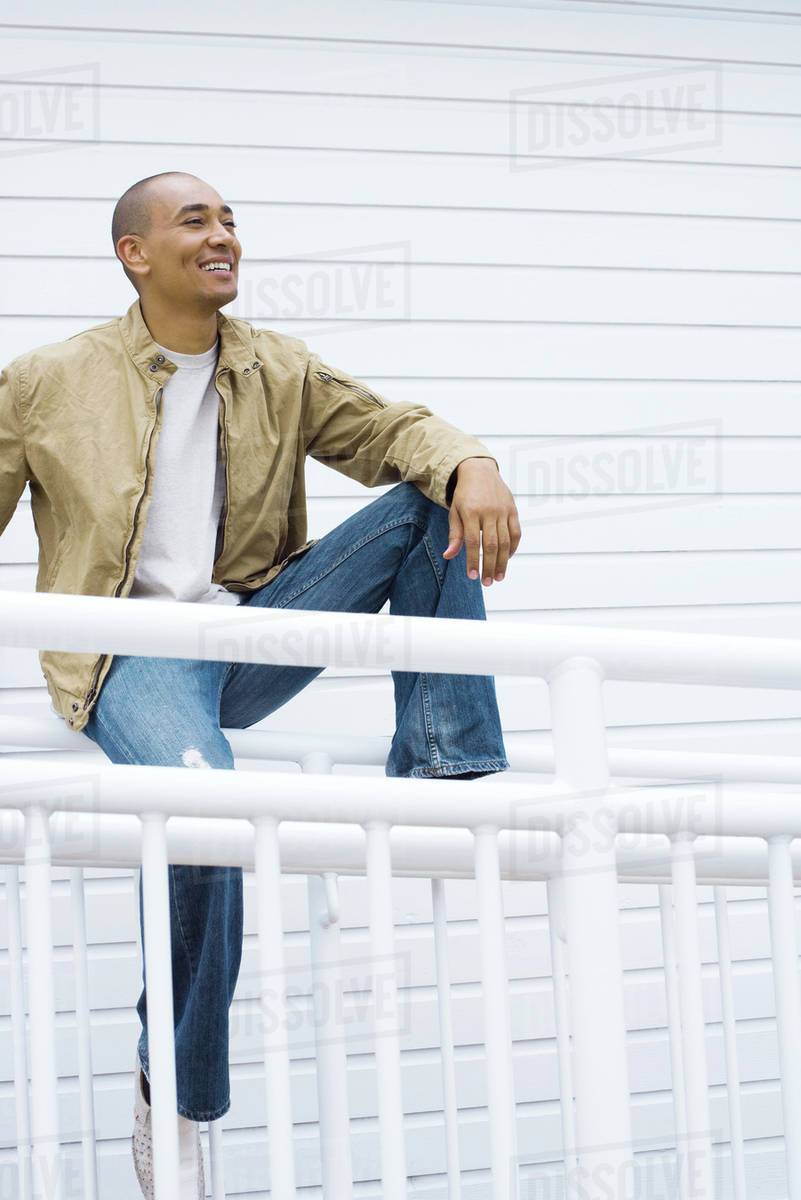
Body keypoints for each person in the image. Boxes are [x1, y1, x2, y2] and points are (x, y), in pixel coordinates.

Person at [0, 172, 521, 1197]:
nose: (222, 235)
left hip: (245, 634)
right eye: (195, 221)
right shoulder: (47, 381)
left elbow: (390, 429)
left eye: (230, 220)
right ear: (134, 254)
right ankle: (178, 1093)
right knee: (213, 817)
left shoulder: (275, 368)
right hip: (127, 654)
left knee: (426, 502)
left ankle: (443, 769)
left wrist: (473, 461)